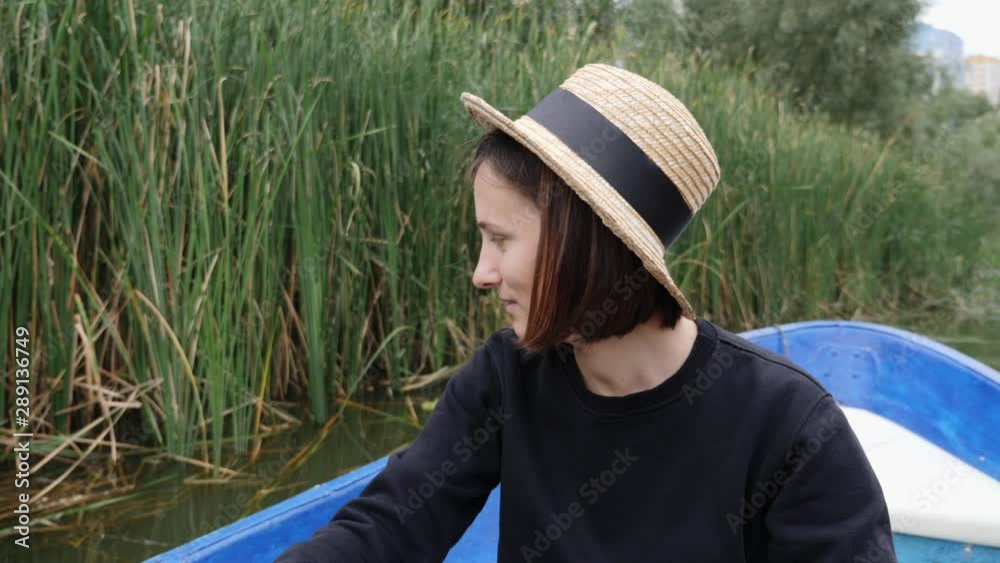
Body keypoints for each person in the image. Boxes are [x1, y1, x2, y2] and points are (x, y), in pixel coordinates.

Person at [274, 63, 897, 562]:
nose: (481, 273)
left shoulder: (790, 427)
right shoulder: (506, 377)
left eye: (500, 239)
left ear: (582, 239)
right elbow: (392, 525)